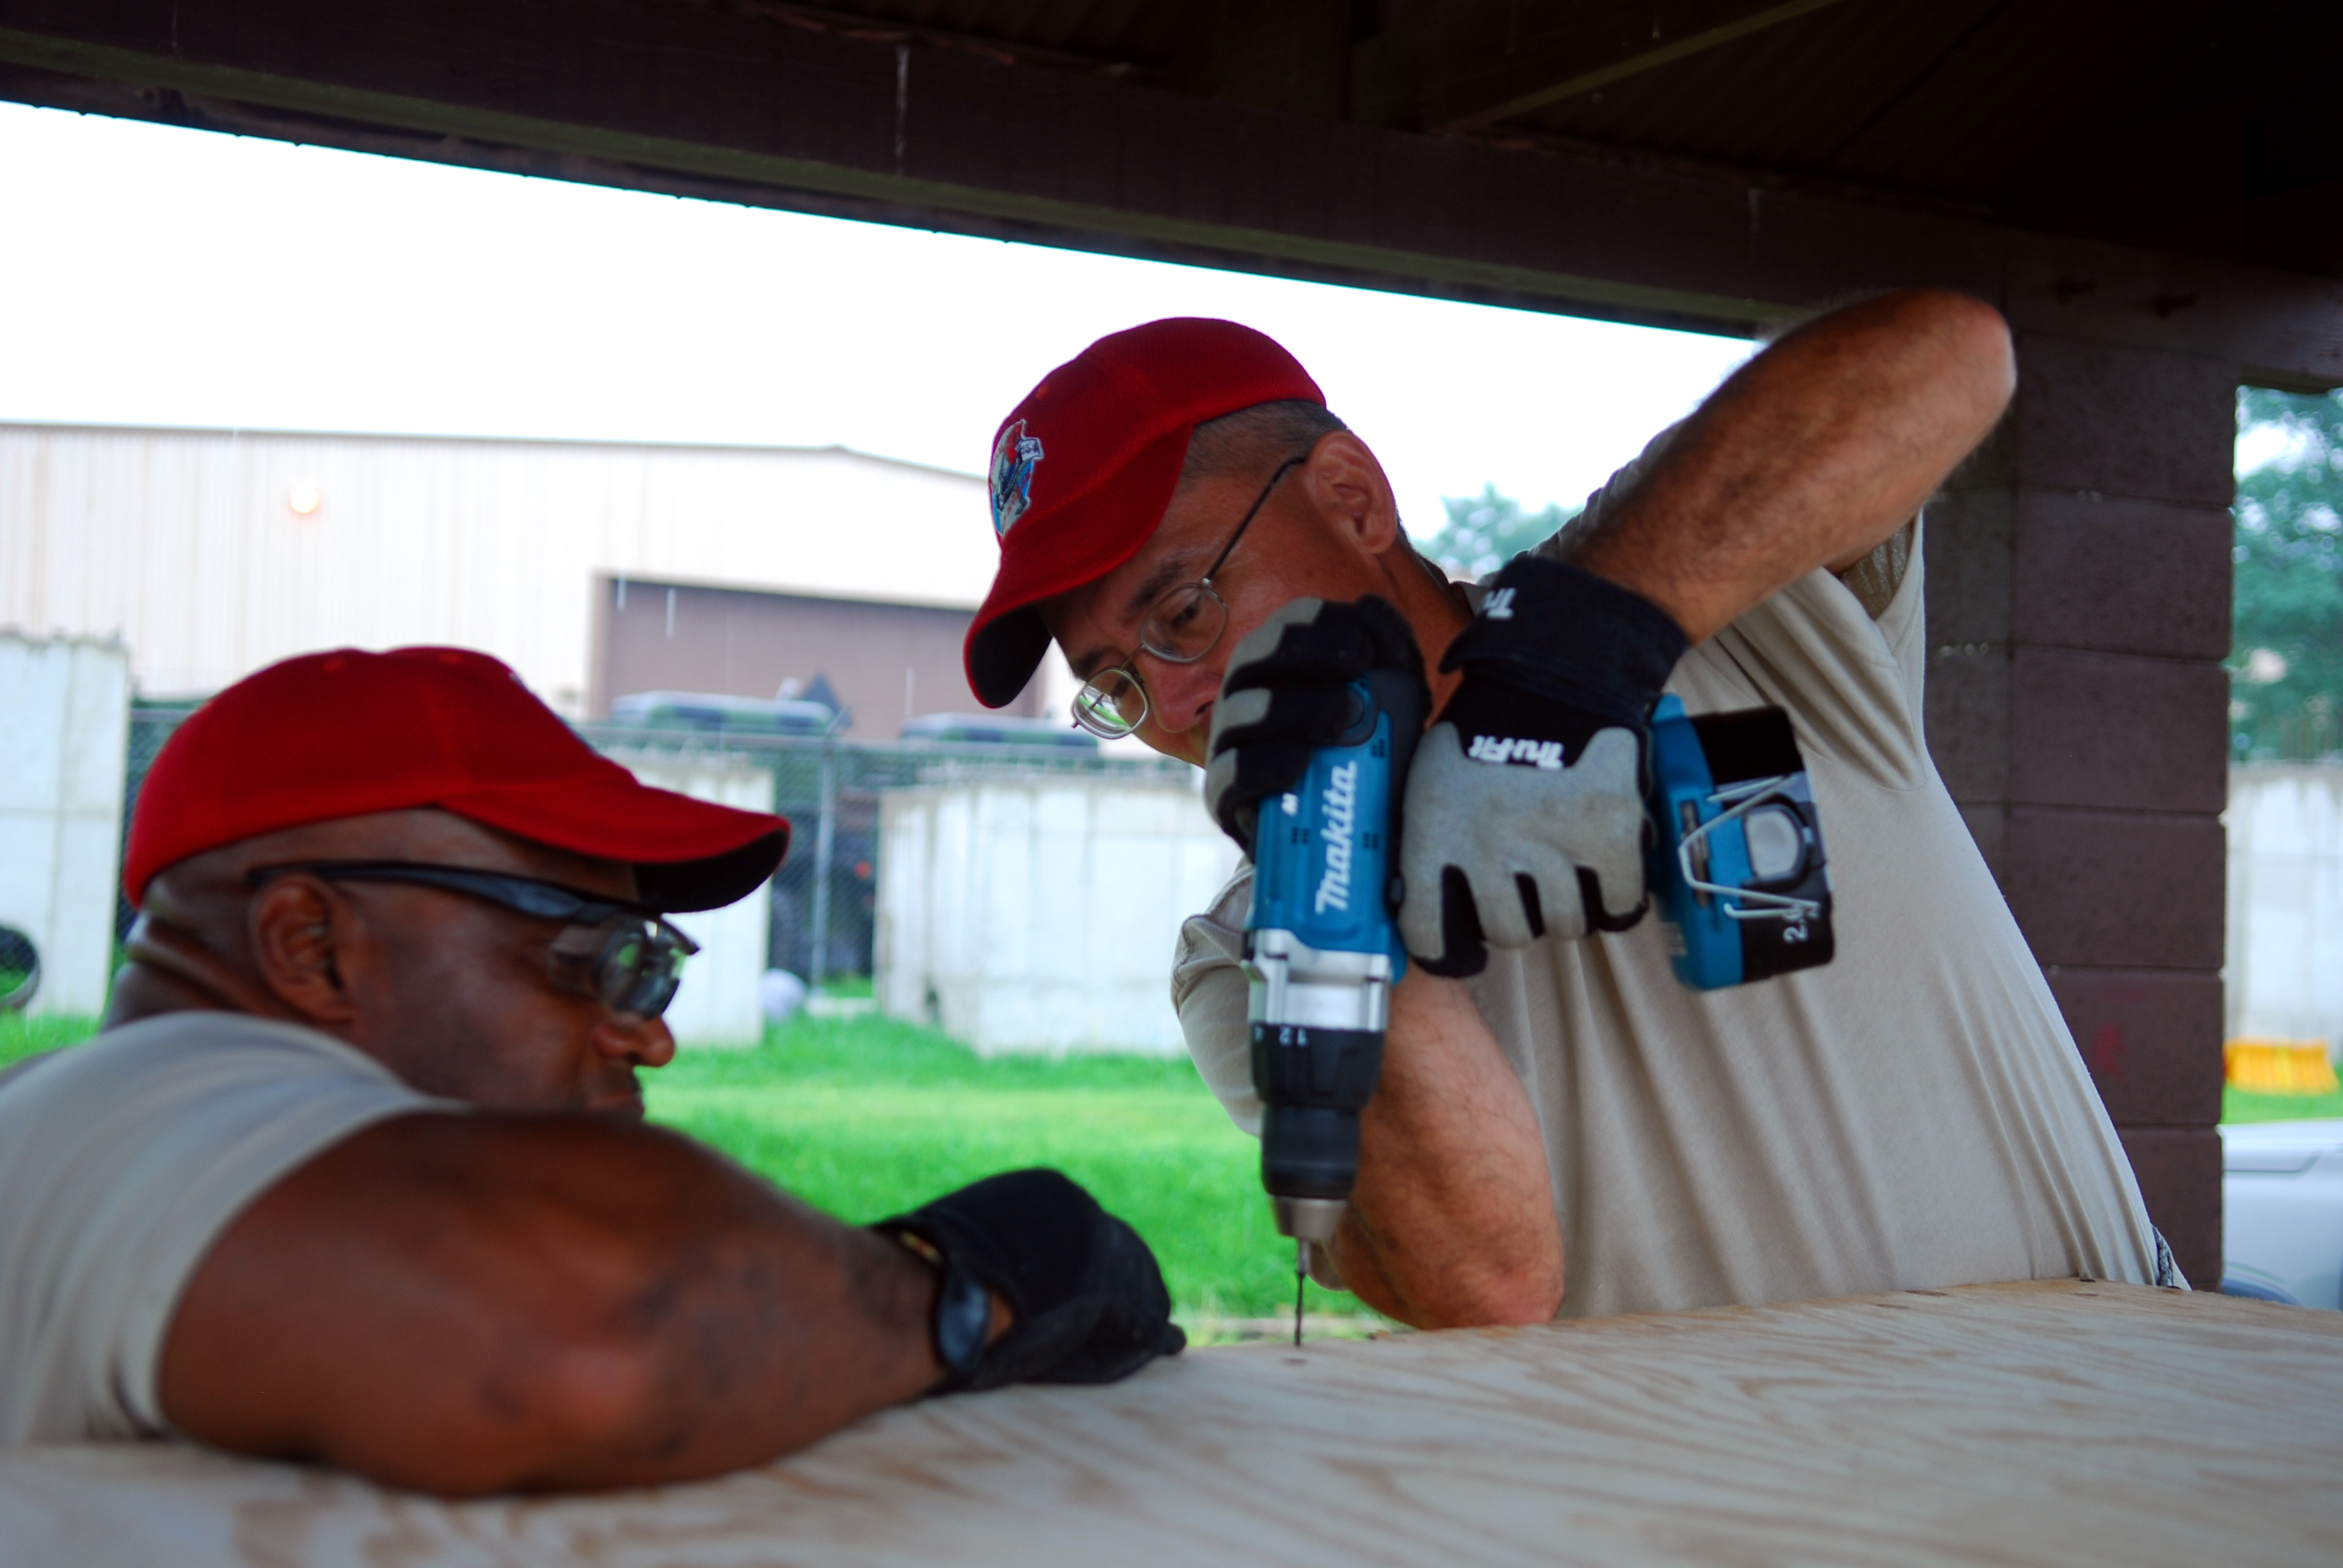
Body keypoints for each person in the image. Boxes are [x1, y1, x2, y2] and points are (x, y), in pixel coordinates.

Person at [960, 302, 2174, 1331]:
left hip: (2126, 1418)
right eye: (1117, 685)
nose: (1175, 703)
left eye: (1182, 611)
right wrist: (1335, 876)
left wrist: (1570, 662)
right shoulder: (1245, 958)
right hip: (1753, 1508)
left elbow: (1951, 354)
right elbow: (1481, 1287)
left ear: (1350, 498)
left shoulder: (1717, 603)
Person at [0, 646, 1181, 1494]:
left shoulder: (71, 1112)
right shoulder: (155, 1112)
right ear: (310, 945)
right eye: (597, 961)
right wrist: (972, 1282)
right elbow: (593, 1328)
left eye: (651, 968)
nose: (648, 1034)